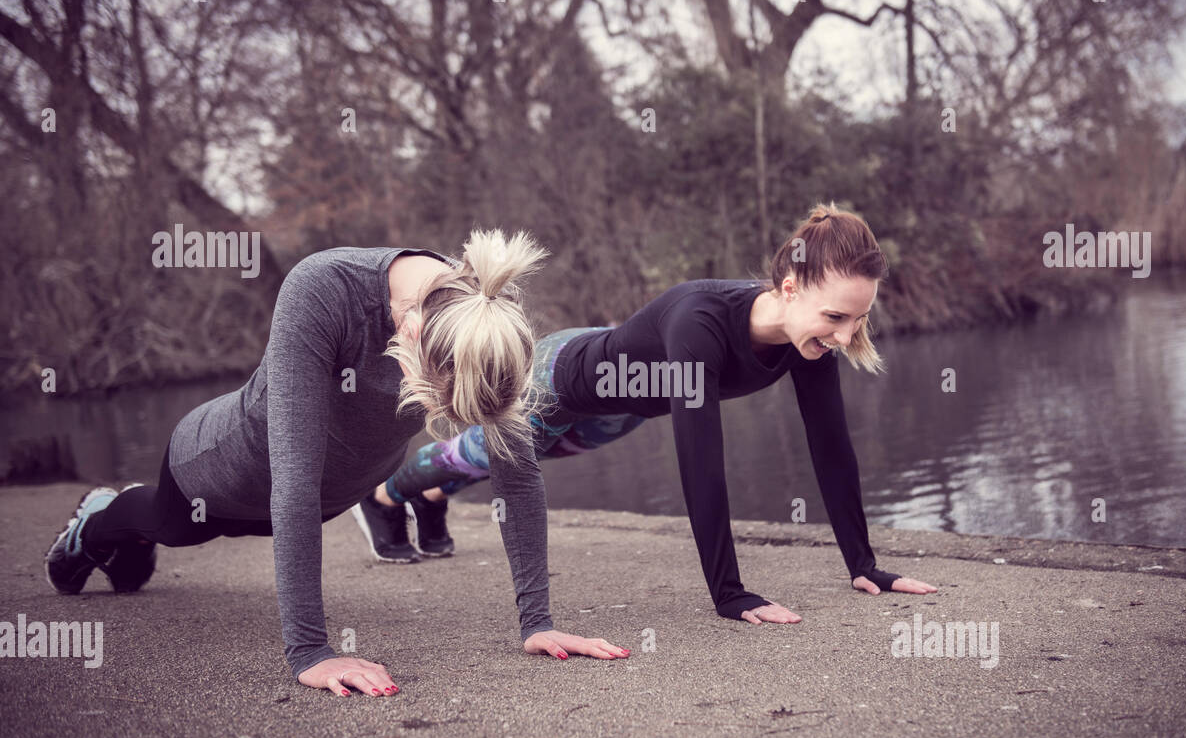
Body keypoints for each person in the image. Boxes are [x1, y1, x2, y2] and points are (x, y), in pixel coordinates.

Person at [43, 232, 629, 698]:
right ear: (410, 330)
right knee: (175, 528)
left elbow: (516, 471)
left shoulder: (478, 318)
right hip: (226, 467)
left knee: (169, 555)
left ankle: (125, 531)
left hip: (324, 499)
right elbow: (292, 478)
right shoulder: (323, 288)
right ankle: (97, 519)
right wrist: (311, 653)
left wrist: (538, 622)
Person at [359, 204, 938, 624]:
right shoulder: (700, 323)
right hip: (561, 378)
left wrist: (864, 565)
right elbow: (702, 464)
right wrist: (729, 594)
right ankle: (385, 498)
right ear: (790, 288)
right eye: (836, 317)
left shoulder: (808, 339)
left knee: (497, 463)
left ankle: (432, 501)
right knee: (485, 453)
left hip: (620, 411)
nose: (845, 335)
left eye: (857, 321)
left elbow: (831, 446)